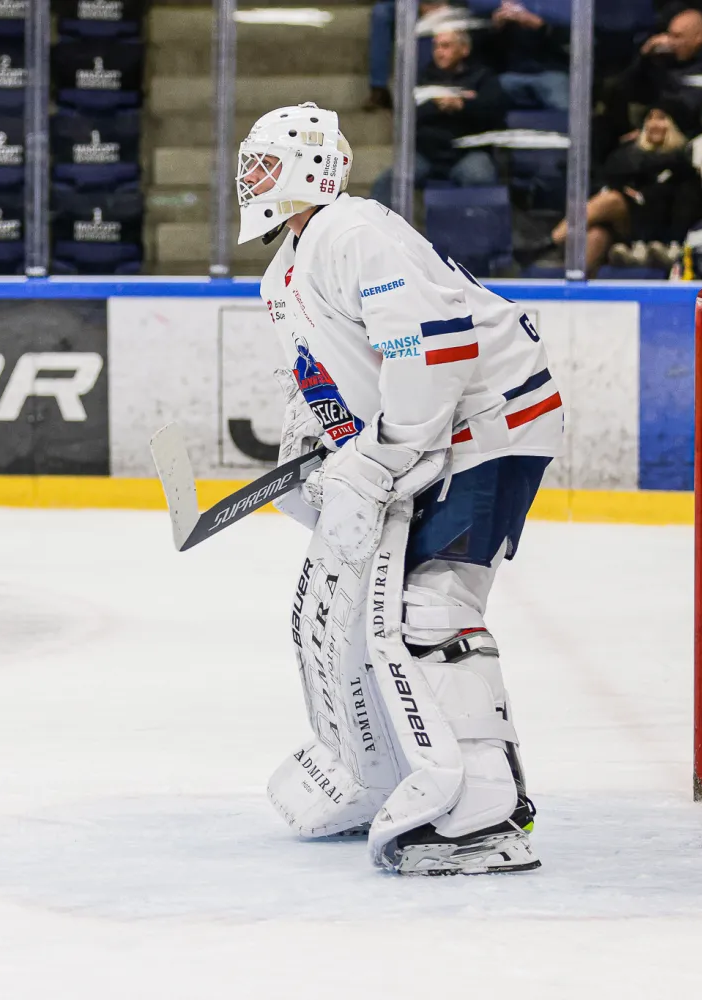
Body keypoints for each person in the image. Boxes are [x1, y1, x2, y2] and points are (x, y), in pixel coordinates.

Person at [237, 103, 561, 875]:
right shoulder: (286, 268)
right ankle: (393, 772)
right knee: (376, 611)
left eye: (263, 161)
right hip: (432, 440)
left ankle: (485, 813)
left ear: (310, 168)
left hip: (487, 428)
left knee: (432, 606)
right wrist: (319, 452)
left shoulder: (355, 234)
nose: (249, 177)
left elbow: (435, 350)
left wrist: (387, 453)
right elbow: (321, 381)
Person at [551, 104, 697, 272]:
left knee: (612, 200)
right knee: (596, 235)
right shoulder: (628, 154)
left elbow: (683, 201)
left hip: (657, 227)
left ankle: (554, 239)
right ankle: (570, 293)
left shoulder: (683, 160)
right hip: (626, 224)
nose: (654, 124)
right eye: (650, 119)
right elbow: (609, 180)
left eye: (661, 119)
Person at [369, 28, 504, 201]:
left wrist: (462, 105)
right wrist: (436, 105)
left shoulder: (483, 78)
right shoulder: (421, 78)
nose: (439, 52)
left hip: (468, 154)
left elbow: (495, 114)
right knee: (387, 181)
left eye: (446, 46)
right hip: (426, 155)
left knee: (479, 176)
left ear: (464, 49)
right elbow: (406, 115)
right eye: (436, 47)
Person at [602, 8, 702, 142]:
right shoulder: (664, 59)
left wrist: (646, 126)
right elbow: (623, 88)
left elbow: (687, 106)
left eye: (677, 36)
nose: (670, 42)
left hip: (688, 135)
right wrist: (645, 57)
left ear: (699, 37)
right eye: (669, 35)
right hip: (651, 127)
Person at [486, 0, 571, 111]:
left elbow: (571, 43)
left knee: (562, 106)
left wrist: (541, 26)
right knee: (490, 94)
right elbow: (481, 51)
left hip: (551, 72)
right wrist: (495, 28)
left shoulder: (557, 10)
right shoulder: (493, 13)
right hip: (511, 75)